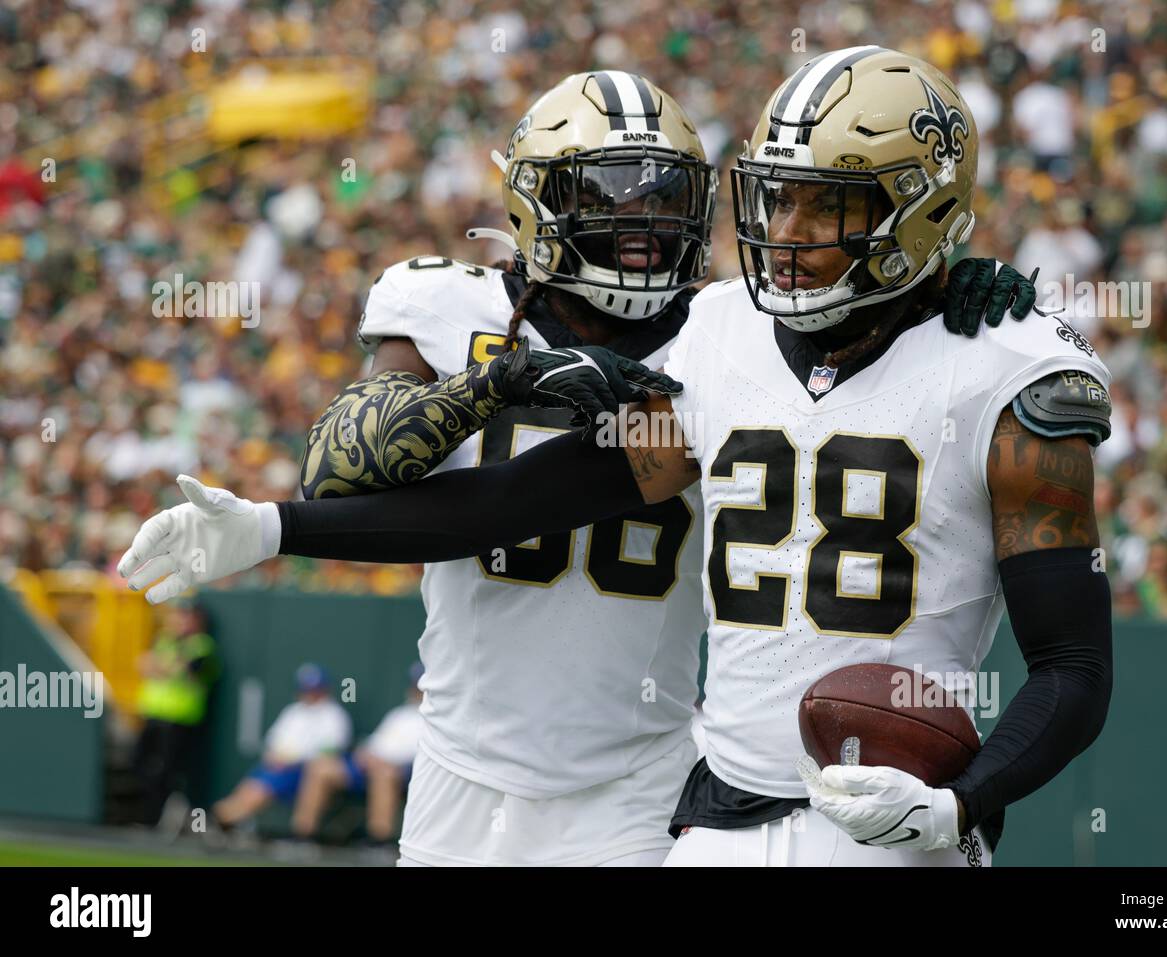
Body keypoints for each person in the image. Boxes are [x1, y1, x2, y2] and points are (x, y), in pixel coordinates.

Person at [121, 61, 1051, 868]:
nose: (641, 227)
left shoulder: (725, 333)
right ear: (537, 200)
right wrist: (503, 383)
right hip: (456, 762)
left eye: (664, 198)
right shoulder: (448, 304)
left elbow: (864, 303)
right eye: (610, 197)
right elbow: (341, 466)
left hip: (636, 783)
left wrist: (947, 286)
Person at [291, 663, 424, 846]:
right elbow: (377, 742)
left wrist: (381, 761)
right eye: (415, 685)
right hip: (367, 765)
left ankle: (379, 840)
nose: (418, 691)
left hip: (402, 772)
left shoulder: (436, 717)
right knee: (320, 768)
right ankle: (302, 836)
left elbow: (418, 752)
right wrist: (365, 753)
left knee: (384, 773)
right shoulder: (400, 713)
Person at [212, 663, 350, 832]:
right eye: (307, 688)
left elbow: (330, 751)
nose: (311, 694)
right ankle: (219, 819)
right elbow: (273, 743)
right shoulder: (293, 712)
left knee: (261, 790)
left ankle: (217, 820)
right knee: (250, 787)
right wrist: (276, 757)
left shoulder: (334, 715)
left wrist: (293, 759)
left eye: (315, 689)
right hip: (278, 767)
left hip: (302, 771)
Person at [131, 601, 218, 827]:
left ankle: (157, 820)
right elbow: (144, 664)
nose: (180, 622)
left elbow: (186, 671)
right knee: (140, 763)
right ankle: (148, 815)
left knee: (167, 771)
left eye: (187, 617)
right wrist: (164, 667)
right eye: (179, 616)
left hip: (180, 719)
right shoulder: (165, 640)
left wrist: (165, 667)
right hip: (153, 714)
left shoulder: (202, 646)